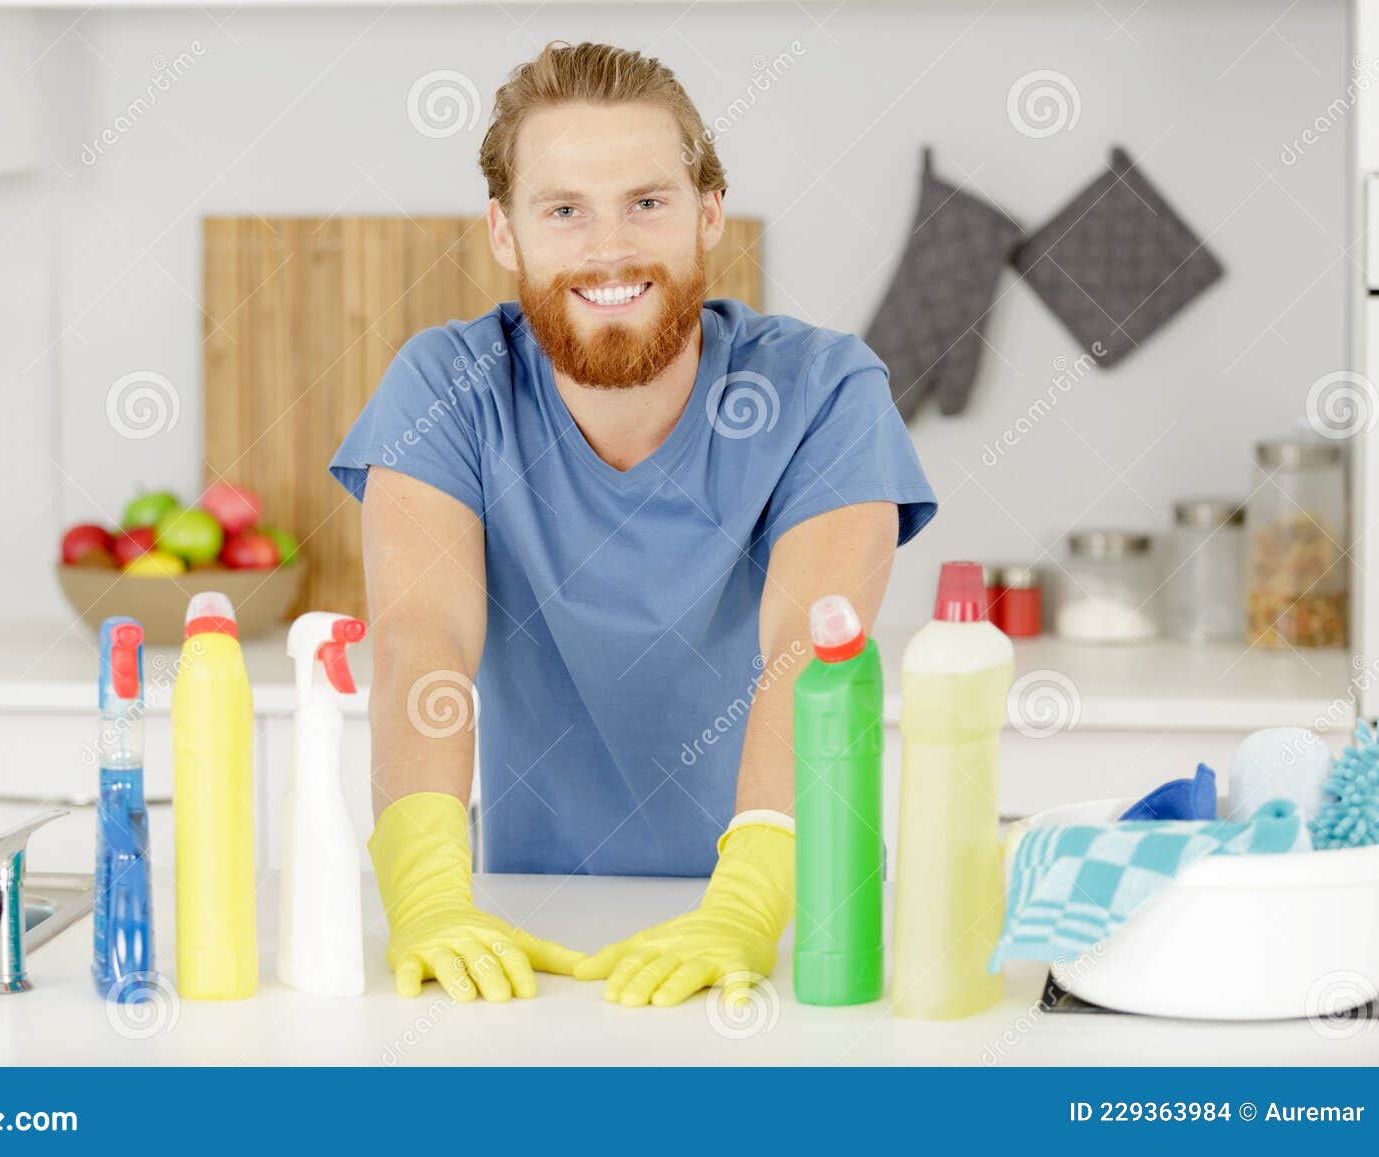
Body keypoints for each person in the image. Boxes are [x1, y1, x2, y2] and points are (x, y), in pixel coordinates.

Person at [329, 40, 937, 1008]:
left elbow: (812, 650)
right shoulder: (447, 389)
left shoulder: (824, 391)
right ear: (503, 231)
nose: (607, 248)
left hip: (796, 932)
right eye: (563, 210)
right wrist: (428, 891)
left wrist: (746, 902)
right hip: (533, 926)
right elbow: (420, 638)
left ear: (707, 216)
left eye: (645, 203)